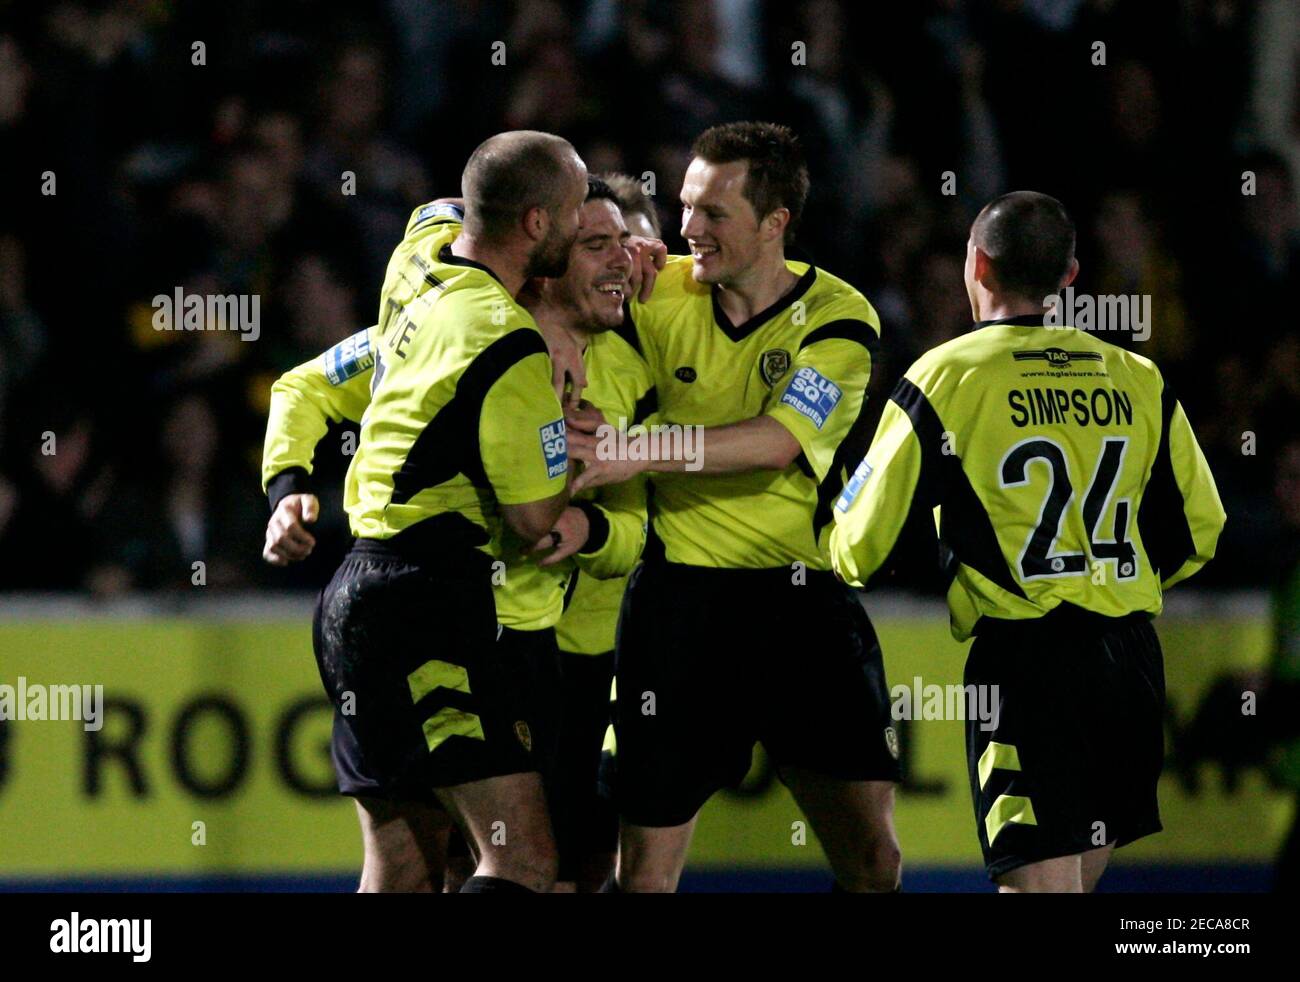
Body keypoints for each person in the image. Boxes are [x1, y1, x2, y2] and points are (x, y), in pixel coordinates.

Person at [263, 178, 658, 892]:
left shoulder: (633, 373)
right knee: (498, 865)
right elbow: (308, 386)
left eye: (631, 248)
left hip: (553, 652)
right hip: (452, 623)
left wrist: (592, 527)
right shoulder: (456, 327)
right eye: (598, 243)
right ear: (549, 250)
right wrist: (288, 486)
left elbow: (642, 525)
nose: (622, 263)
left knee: (502, 869)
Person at [829, 191, 1226, 893]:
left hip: (1031, 664)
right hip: (1131, 662)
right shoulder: (1136, 376)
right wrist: (1113, 583)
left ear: (977, 265)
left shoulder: (946, 375)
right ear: (1070, 275)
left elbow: (861, 544)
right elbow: (1202, 528)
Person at [570, 122, 902, 893]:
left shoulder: (839, 318)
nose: (688, 230)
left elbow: (779, 441)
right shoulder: (659, 292)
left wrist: (636, 450)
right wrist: (570, 324)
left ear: (776, 222)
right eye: (685, 207)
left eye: (714, 214)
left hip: (801, 605)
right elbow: (556, 296)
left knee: (874, 862)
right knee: (643, 876)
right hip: (678, 608)